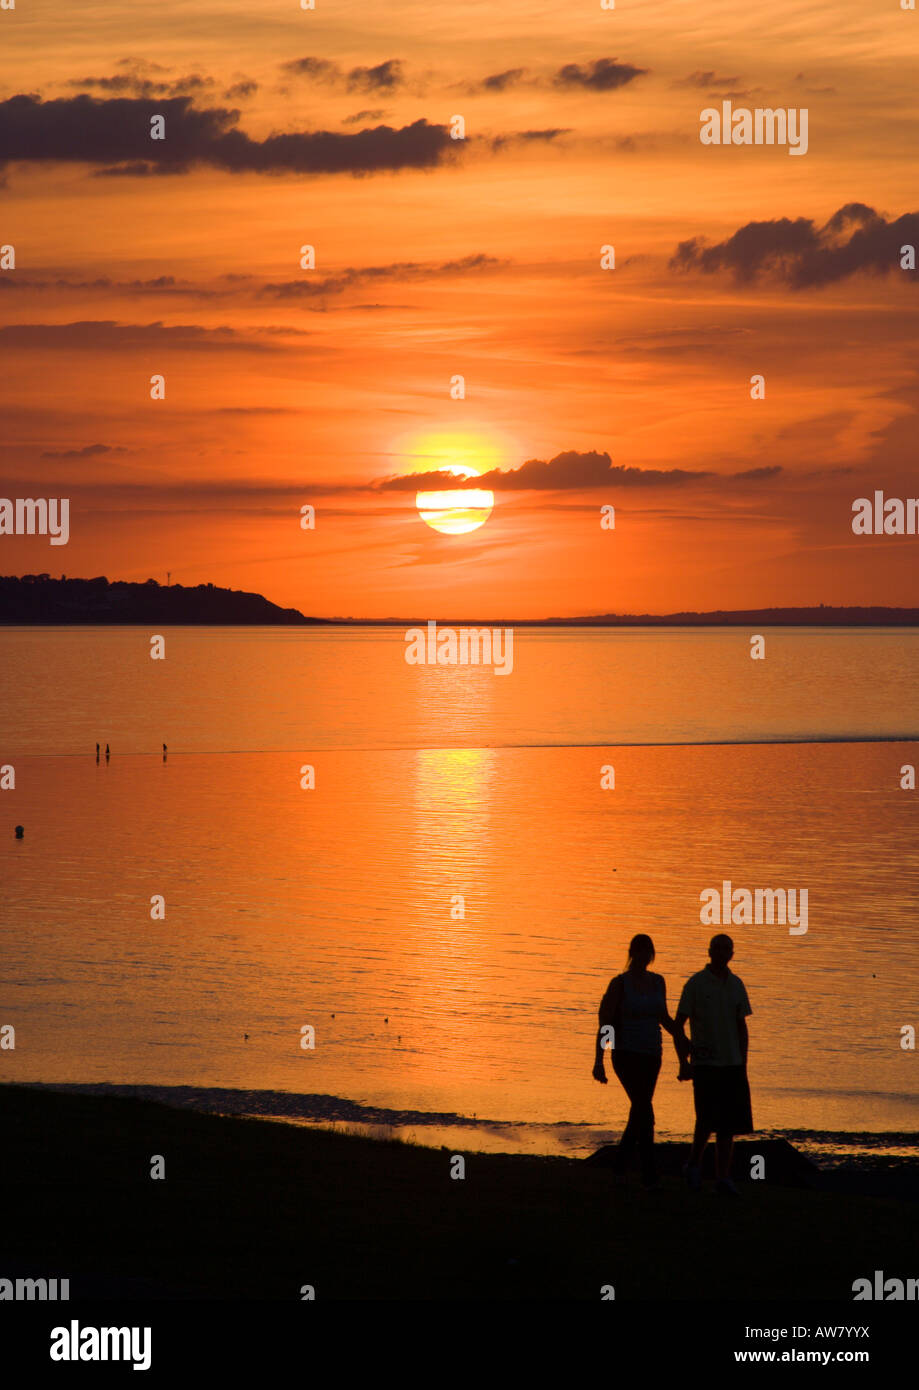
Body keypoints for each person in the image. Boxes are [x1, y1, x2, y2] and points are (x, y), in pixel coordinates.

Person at [592, 933, 683, 1187]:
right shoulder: (619, 984)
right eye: (640, 951)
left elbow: (663, 1017)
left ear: (651, 955)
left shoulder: (658, 982)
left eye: (648, 951)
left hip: (653, 1054)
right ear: (632, 953)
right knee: (645, 1110)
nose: (644, 956)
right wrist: (599, 1061)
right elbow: (606, 1025)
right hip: (625, 1055)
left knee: (640, 1110)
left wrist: (682, 1039)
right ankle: (649, 1171)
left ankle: (621, 1165)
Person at [674, 933, 753, 1196]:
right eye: (717, 948)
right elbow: (678, 1025)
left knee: (728, 1124)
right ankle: (693, 1165)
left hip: (732, 1064)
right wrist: (684, 1061)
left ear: (731, 954)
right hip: (706, 1064)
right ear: (709, 952)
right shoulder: (696, 984)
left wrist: (743, 1062)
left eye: (726, 949)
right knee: (705, 1120)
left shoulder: (737, 985)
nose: (721, 953)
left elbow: (742, 1027)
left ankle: (723, 1177)